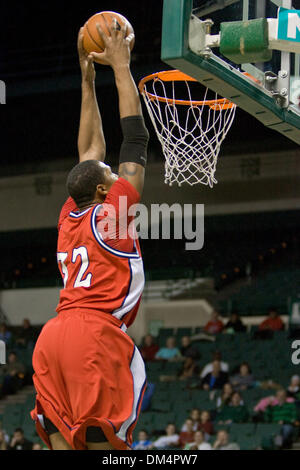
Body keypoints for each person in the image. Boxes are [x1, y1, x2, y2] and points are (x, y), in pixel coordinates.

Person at [31, 22, 149, 451]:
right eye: (112, 177)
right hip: (93, 337)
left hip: (53, 338)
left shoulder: (70, 214)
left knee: (64, 440)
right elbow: (135, 138)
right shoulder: (113, 213)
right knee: (105, 445)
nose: (119, 176)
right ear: (103, 191)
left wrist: (86, 79)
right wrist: (120, 66)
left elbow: (89, 154)